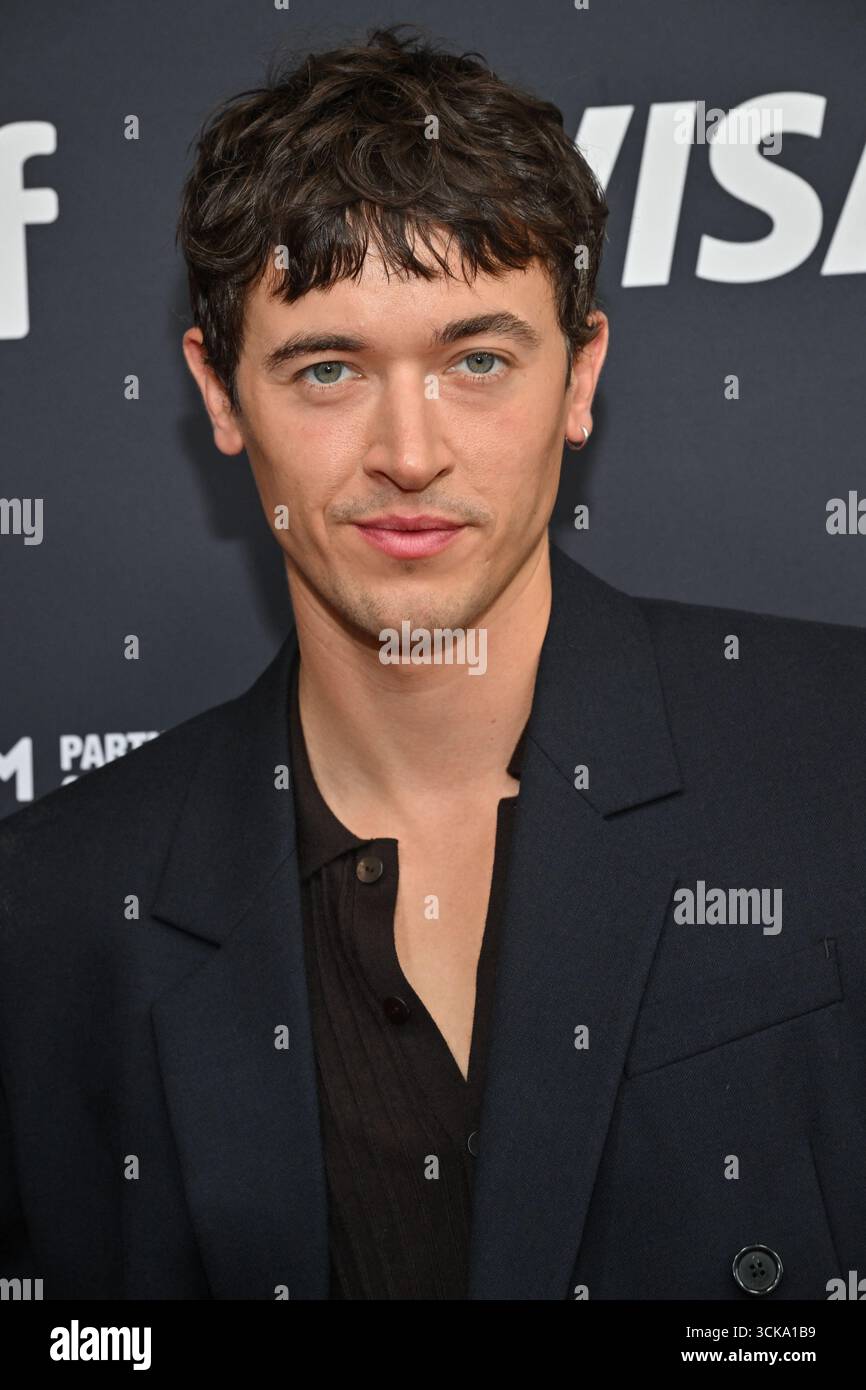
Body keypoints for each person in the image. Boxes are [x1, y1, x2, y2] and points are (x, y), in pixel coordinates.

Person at [1, 23, 865, 1302]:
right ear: (220, 394)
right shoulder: (57, 910)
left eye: (476, 360)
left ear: (580, 374)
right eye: (329, 367)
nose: (409, 452)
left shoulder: (835, 755)